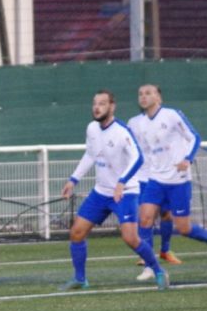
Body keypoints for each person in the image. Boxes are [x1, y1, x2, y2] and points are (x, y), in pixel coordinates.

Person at [60, 90, 167, 291]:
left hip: (125, 193)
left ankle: (158, 271)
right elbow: (90, 155)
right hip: (101, 192)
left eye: (101, 103)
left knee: (131, 238)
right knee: (76, 232)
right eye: (94, 103)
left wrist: (122, 182)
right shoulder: (92, 128)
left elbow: (138, 158)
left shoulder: (121, 132)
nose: (96, 107)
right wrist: (73, 179)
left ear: (112, 106)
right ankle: (80, 279)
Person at [129, 84, 207, 278]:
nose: (143, 97)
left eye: (148, 93)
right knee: (145, 218)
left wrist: (187, 159)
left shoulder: (172, 115)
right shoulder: (139, 123)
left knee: (183, 228)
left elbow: (195, 137)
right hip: (155, 178)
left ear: (159, 98)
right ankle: (150, 265)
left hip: (178, 180)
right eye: (140, 94)